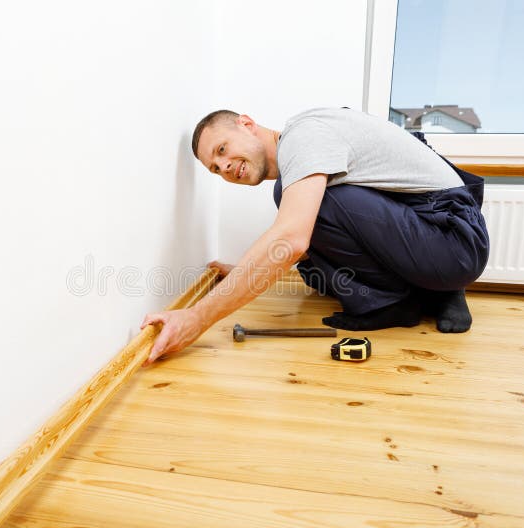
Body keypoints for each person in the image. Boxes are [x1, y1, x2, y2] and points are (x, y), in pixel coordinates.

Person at [140, 107, 489, 366]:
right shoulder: (302, 152)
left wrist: (197, 317)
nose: (225, 167)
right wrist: (244, 270)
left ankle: (408, 298)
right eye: (215, 169)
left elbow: (291, 240)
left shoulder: (303, 138)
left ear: (246, 124)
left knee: (312, 206)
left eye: (222, 150)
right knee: (309, 249)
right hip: (432, 234)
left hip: (453, 239)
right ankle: (421, 293)